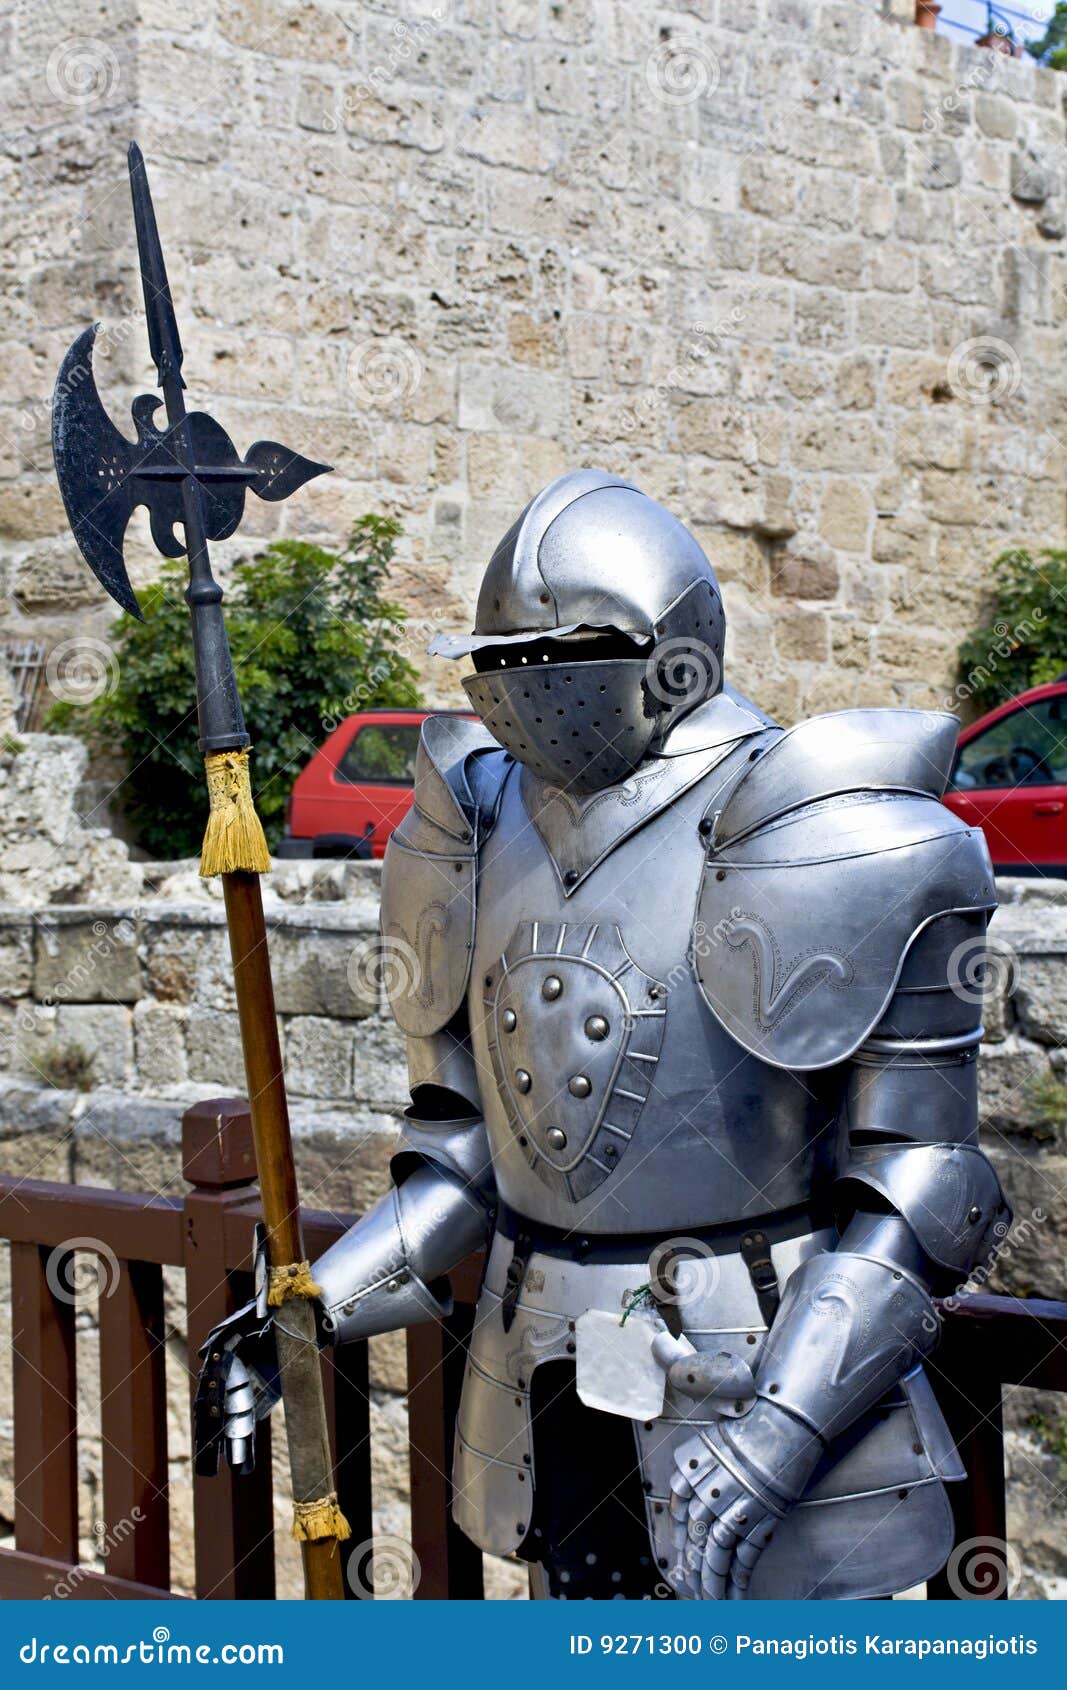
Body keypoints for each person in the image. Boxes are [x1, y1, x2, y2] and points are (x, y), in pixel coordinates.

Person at [197, 470, 1009, 1600]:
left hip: (768, 1382)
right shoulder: (470, 827)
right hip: (539, 1382)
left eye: (564, 656)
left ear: (669, 648)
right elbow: (463, 1153)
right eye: (503, 662)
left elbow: (925, 1188)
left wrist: (779, 1430)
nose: (531, 691)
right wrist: (312, 1305)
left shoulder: (820, 818)